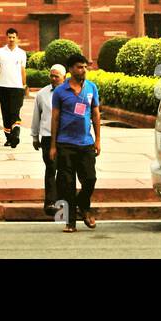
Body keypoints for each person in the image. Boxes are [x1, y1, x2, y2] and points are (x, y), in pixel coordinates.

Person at [48, 53, 100, 232]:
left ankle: (83, 205)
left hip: (86, 142)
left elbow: (95, 114)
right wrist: (53, 145)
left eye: (85, 67)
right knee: (67, 183)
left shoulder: (92, 88)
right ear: (70, 69)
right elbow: (54, 118)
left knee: (90, 179)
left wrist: (98, 139)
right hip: (65, 144)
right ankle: (71, 222)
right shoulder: (60, 91)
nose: (83, 70)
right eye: (79, 67)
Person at [30, 64, 65, 215]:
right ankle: (50, 202)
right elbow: (37, 116)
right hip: (47, 136)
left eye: (56, 76)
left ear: (64, 77)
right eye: (51, 75)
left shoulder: (70, 93)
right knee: (51, 168)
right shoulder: (42, 94)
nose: (53, 78)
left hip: (65, 137)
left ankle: (62, 202)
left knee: (64, 170)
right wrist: (34, 136)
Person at [0, 28, 27, 148]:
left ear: (17, 38)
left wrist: (24, 84)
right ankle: (9, 138)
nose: (11, 39)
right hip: (3, 86)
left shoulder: (21, 53)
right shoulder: (0, 52)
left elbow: (23, 71)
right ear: (7, 38)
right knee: (5, 113)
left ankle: (15, 135)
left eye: (13, 37)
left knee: (14, 112)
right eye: (9, 37)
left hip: (17, 87)